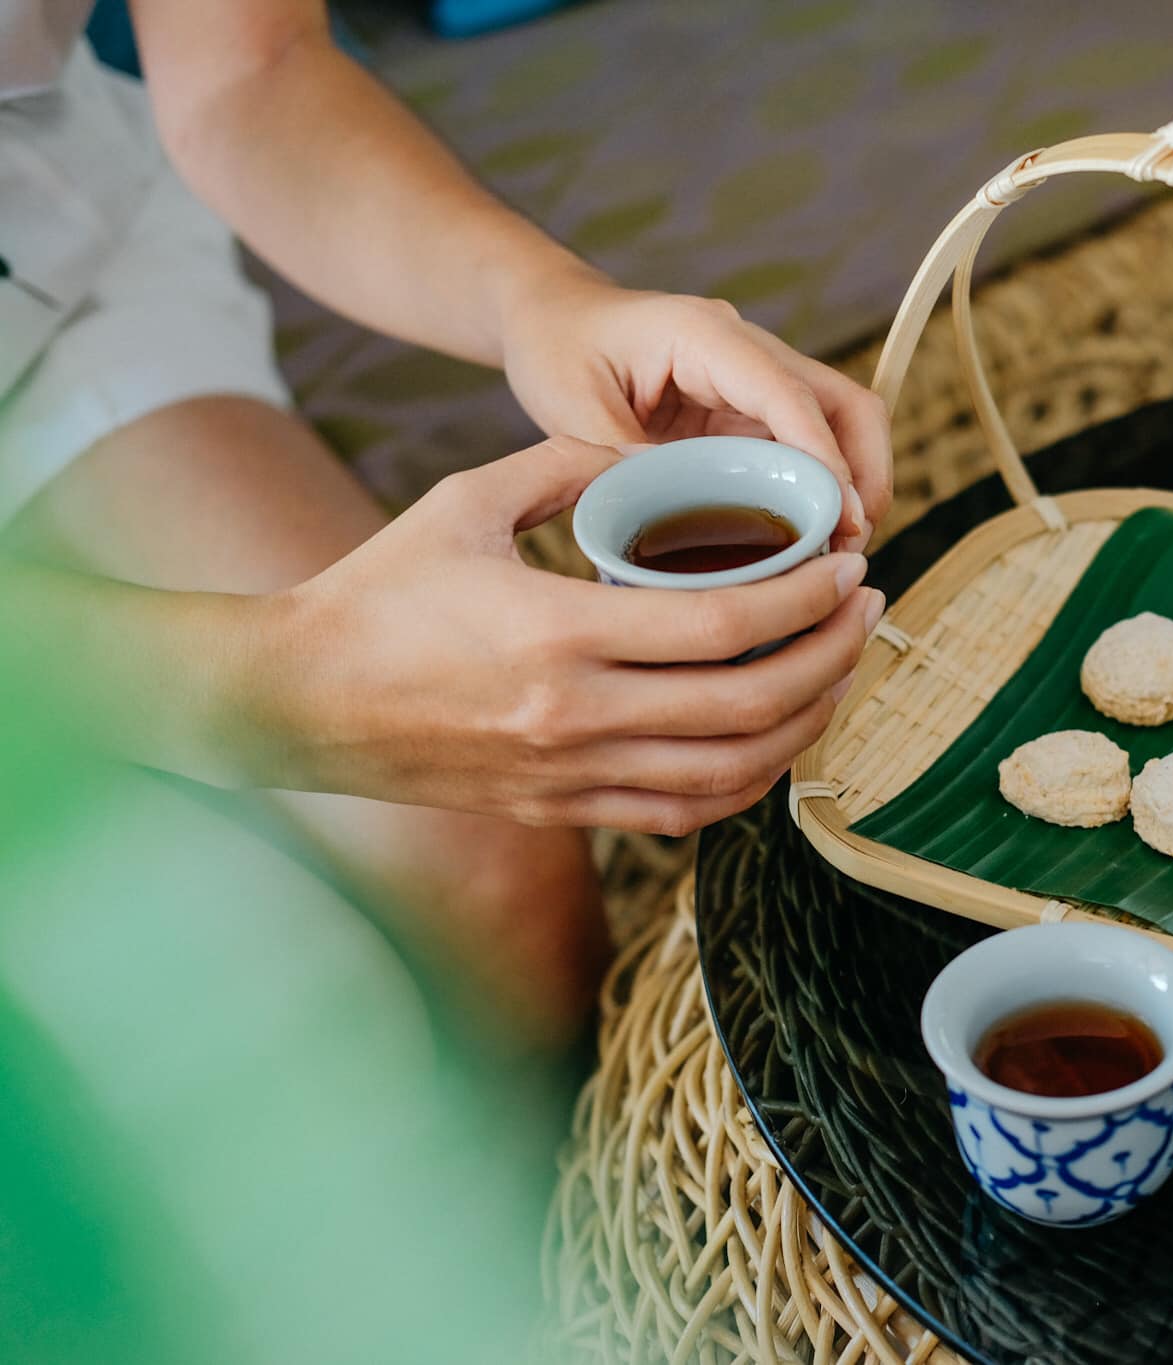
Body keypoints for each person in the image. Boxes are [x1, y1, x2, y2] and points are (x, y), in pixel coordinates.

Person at [0, 0, 894, 1045]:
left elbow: (249, 68)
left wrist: (539, 301)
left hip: (53, 249)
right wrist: (268, 688)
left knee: (498, 892)